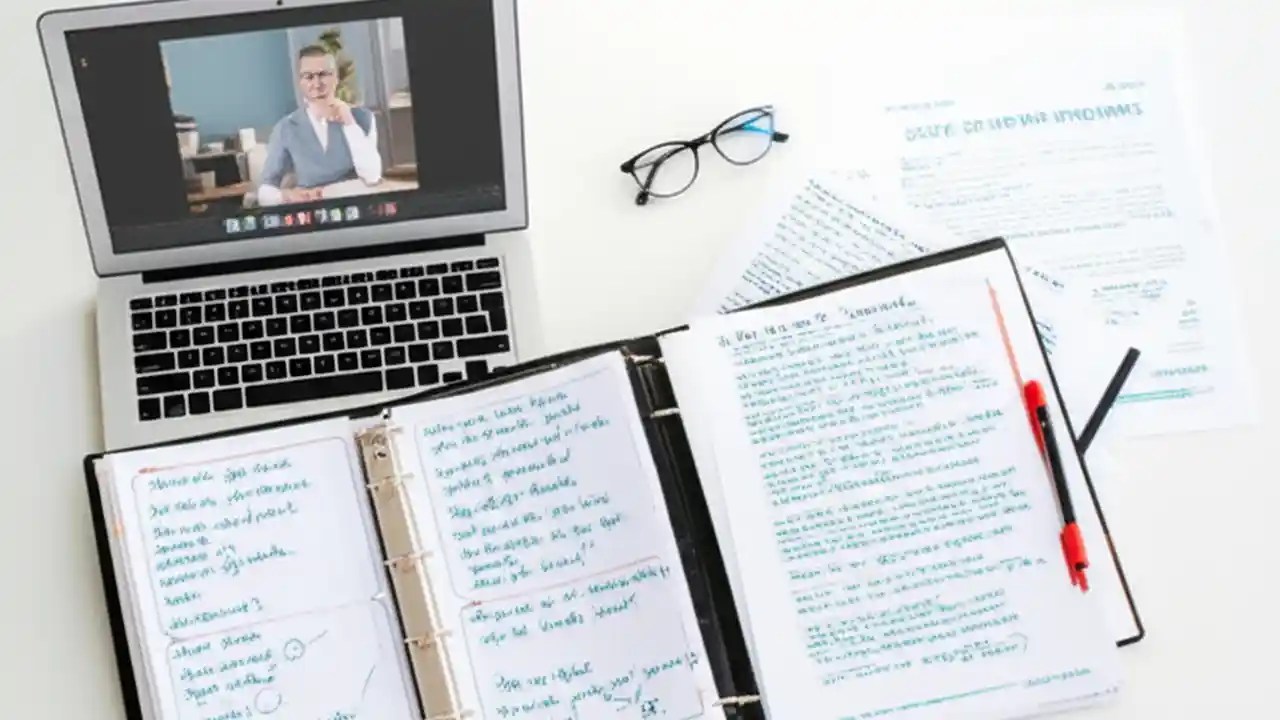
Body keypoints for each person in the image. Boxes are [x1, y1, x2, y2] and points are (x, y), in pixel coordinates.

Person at [258, 45, 382, 206]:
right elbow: (265, 190)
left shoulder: (363, 118)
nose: (317, 84)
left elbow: (372, 177)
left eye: (324, 74)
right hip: (312, 212)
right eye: (308, 77)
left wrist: (349, 122)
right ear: (300, 82)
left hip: (355, 208)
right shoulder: (286, 128)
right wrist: (288, 196)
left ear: (336, 77)